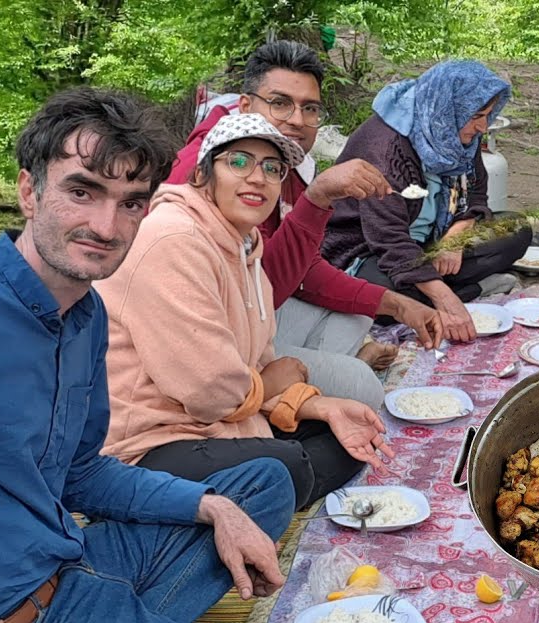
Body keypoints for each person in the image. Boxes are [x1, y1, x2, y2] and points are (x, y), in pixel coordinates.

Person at [0, 88, 323, 623]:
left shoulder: (82, 314)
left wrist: (208, 505)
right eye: (82, 191)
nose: (106, 226)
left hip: (71, 564)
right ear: (30, 191)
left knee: (259, 486)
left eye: (131, 203)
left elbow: (81, 472)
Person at [98, 113, 393, 511]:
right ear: (204, 174)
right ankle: (224, 513)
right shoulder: (172, 238)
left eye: (272, 168)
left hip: (220, 423)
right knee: (285, 467)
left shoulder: (245, 246)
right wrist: (271, 383)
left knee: (344, 435)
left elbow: (257, 364)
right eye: (238, 162)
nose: (257, 178)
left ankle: (258, 503)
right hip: (146, 443)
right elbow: (210, 391)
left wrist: (317, 405)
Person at [172, 40, 442, 408]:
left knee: (360, 316)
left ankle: (305, 373)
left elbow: (293, 267)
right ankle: (295, 385)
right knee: (364, 388)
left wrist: (396, 305)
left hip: (256, 313)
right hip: (210, 338)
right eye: (280, 103)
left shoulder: (288, 163)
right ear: (246, 106)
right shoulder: (205, 167)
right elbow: (256, 289)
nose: (296, 120)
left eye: (309, 108)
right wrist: (317, 199)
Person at [321, 60, 530, 343]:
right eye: (477, 116)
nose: (483, 126)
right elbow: (388, 239)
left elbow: (477, 194)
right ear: (448, 109)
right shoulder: (386, 148)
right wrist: (447, 300)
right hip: (368, 250)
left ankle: (435, 290)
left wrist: (455, 238)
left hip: (431, 242)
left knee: (516, 229)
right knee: (379, 292)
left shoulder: (455, 134)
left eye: (488, 115)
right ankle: (467, 290)